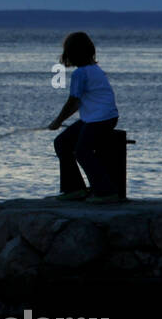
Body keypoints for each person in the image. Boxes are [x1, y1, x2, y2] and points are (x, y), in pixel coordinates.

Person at [46, 32, 120, 203]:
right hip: (103, 118)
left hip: (99, 120)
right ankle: (74, 188)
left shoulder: (80, 74)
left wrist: (58, 121)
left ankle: (106, 191)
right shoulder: (96, 70)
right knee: (62, 142)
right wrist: (60, 121)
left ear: (70, 54)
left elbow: (72, 100)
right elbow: (79, 103)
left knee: (82, 151)